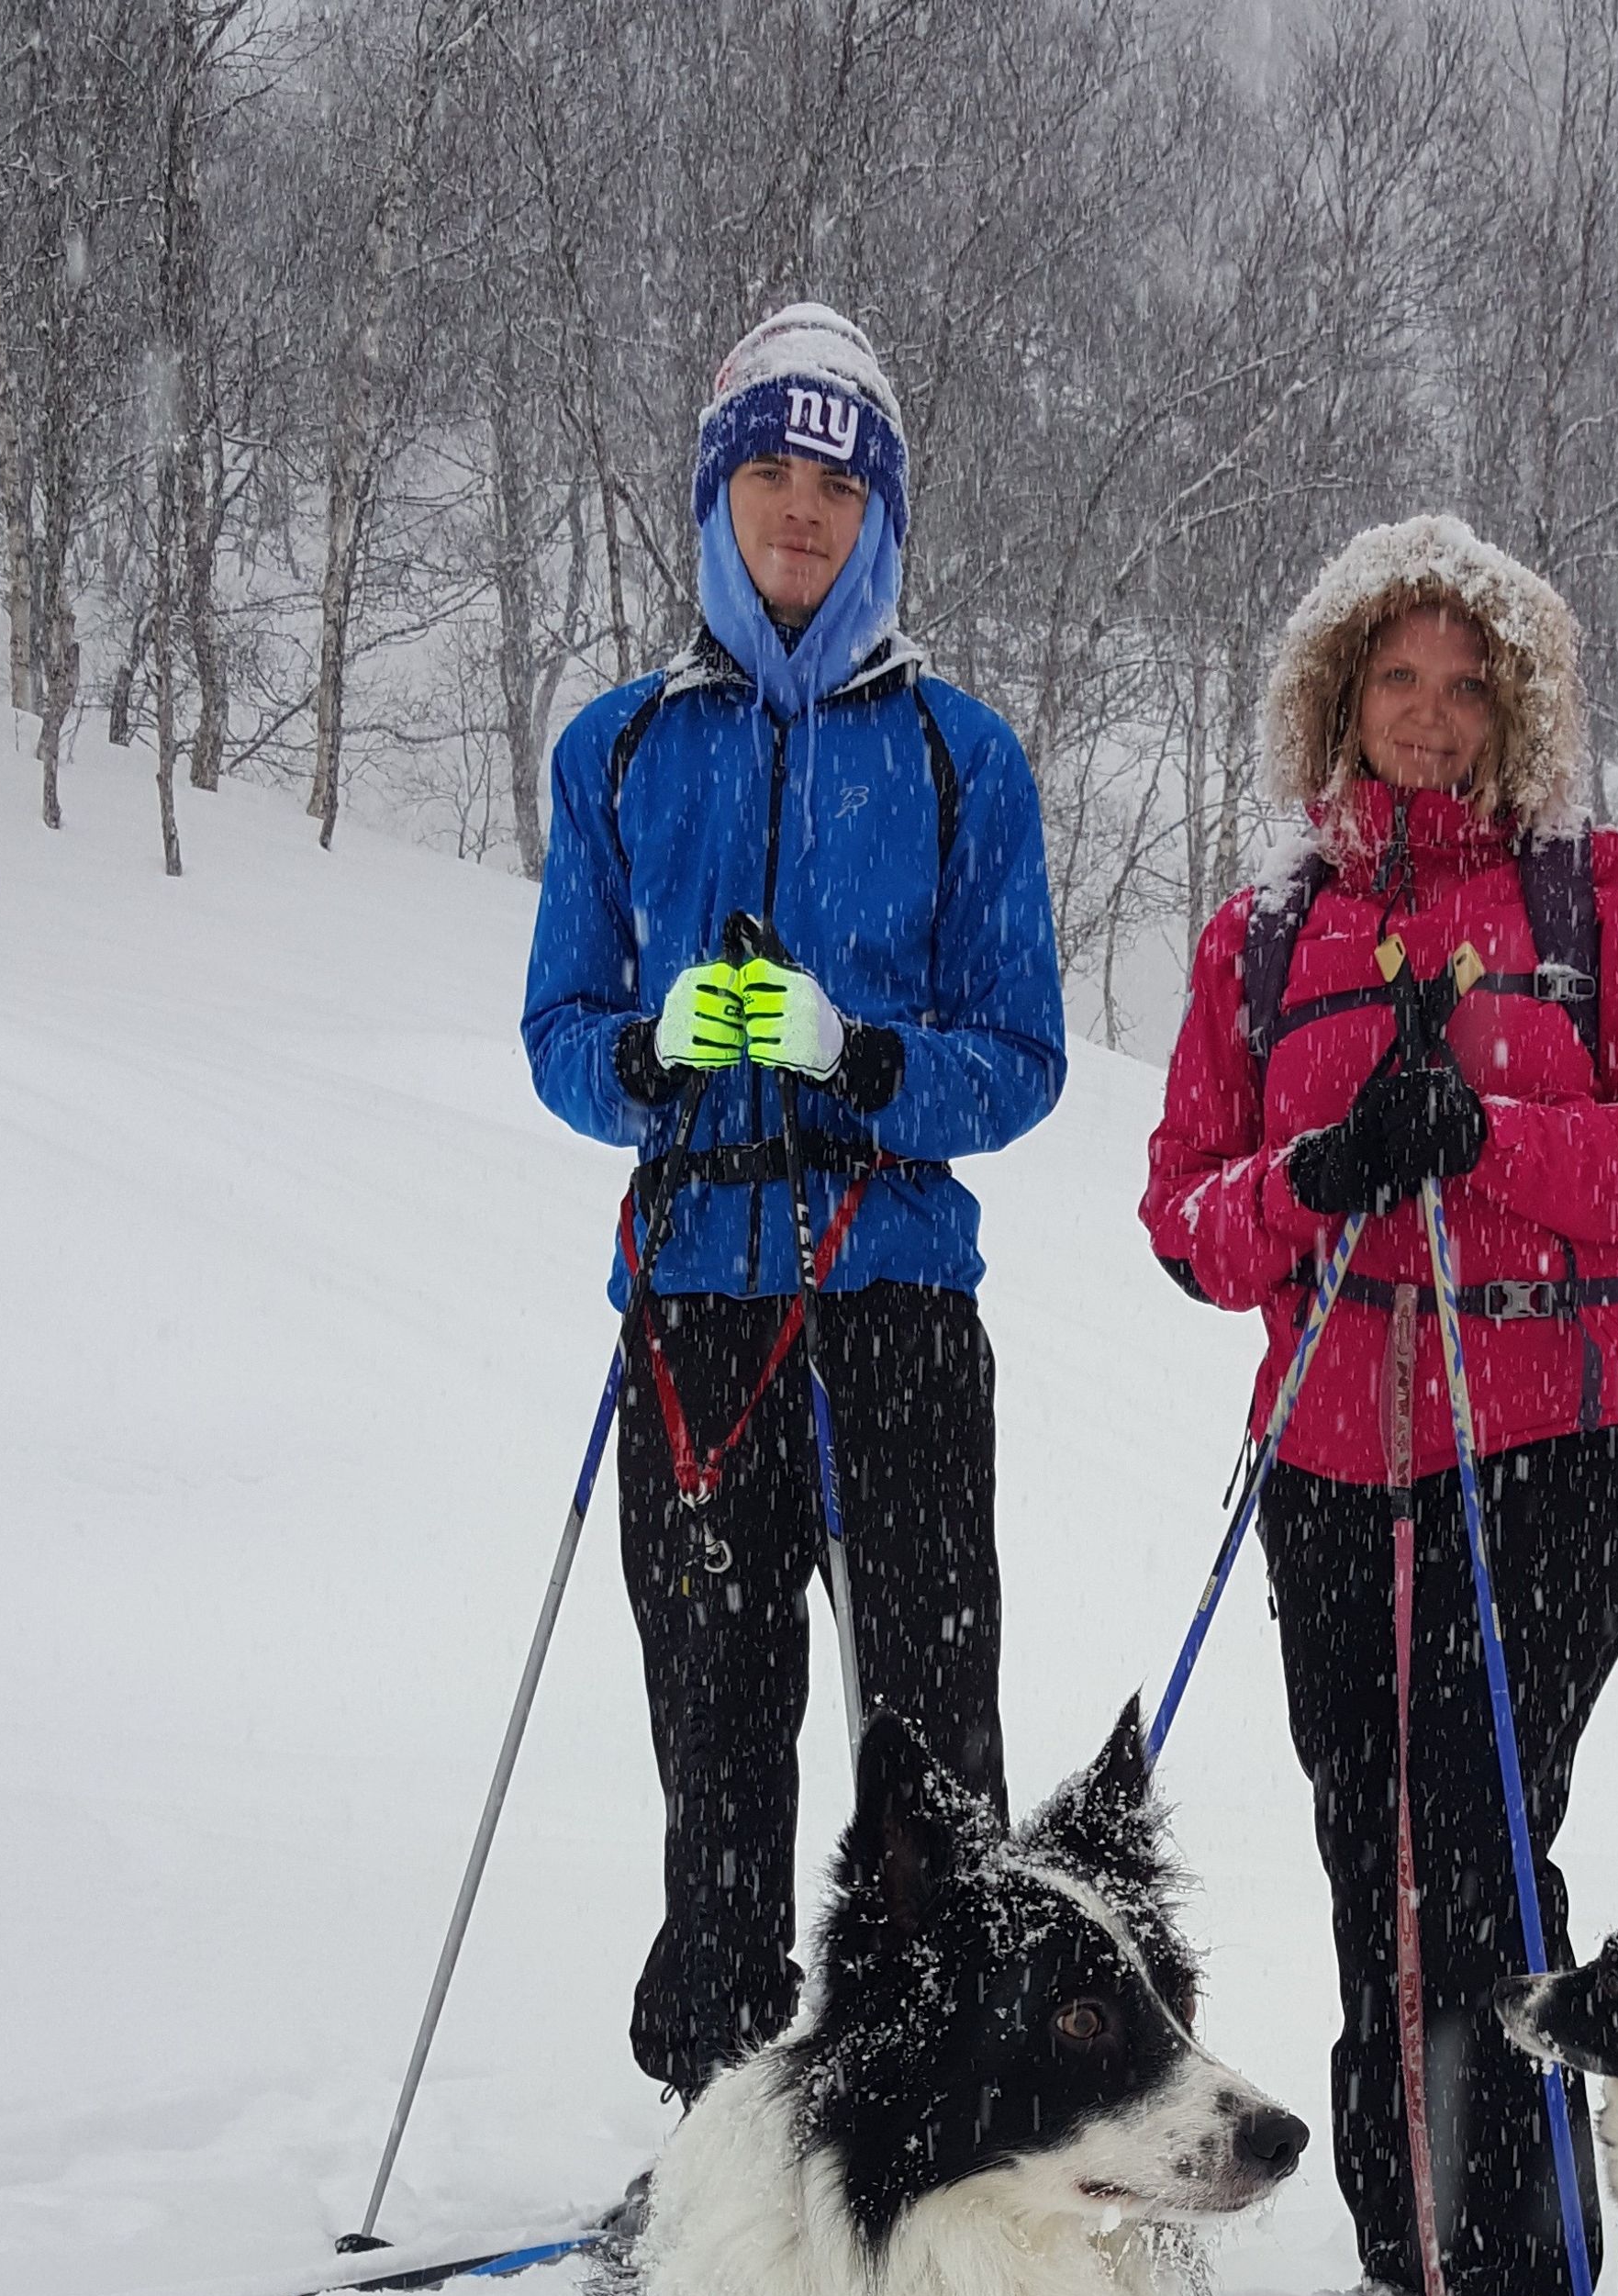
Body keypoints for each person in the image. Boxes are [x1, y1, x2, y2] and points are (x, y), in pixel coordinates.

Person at [1142, 515, 1618, 2296]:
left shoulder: (1604, 898)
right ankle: (1408, 2251)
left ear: (1516, 708)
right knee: (1367, 1843)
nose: (1430, 716)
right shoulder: (1266, 933)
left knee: (1477, 1838)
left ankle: (1513, 2263)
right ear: (1340, 697)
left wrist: (1491, 1137)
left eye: (1465, 685)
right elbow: (1187, 1222)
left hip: (1554, 1438)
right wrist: (1316, 1175)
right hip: (1336, 1449)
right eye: (1395, 681)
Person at [524, 305, 1065, 2104]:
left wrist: (862, 1057)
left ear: (884, 514)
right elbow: (556, 1030)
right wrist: (652, 1054)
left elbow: (1025, 1057)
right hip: (694, 1301)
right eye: (768, 471)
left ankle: (956, 2097)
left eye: (840, 481)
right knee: (718, 1726)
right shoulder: (618, 747)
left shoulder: (958, 756)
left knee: (930, 1738)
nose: (803, 511)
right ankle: (724, 2101)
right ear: (714, 497)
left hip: (897, 1306)